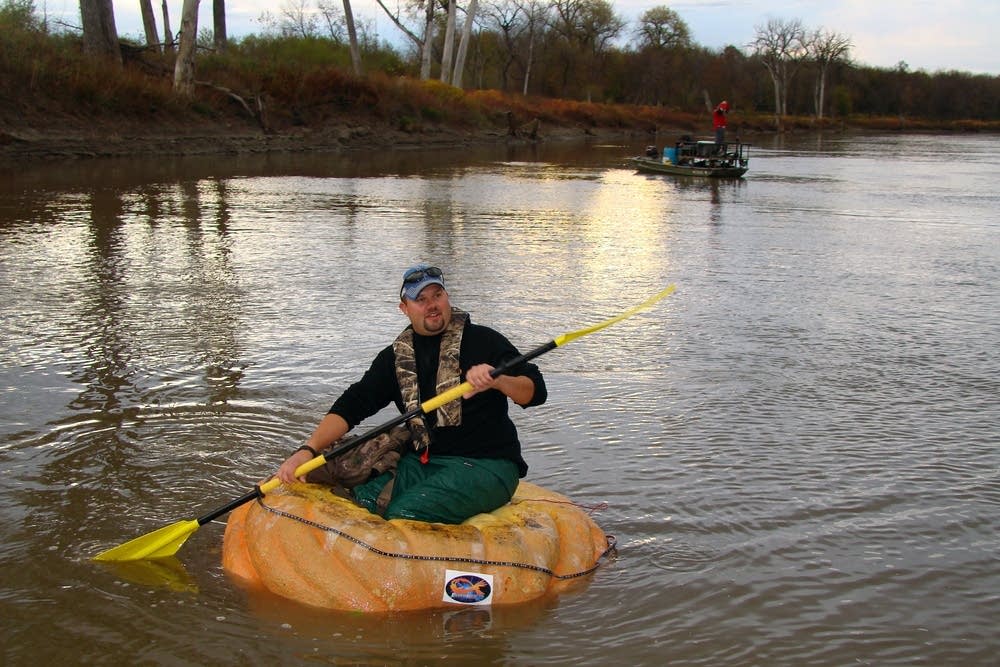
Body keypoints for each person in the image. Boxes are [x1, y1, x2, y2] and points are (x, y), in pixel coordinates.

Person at [273, 263, 547, 524]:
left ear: (446, 297)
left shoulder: (485, 341)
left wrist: (500, 382)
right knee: (362, 502)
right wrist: (307, 451)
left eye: (437, 295)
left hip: (488, 465)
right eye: (421, 299)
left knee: (405, 512)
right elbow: (353, 404)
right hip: (424, 461)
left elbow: (535, 392)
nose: (432, 305)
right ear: (404, 308)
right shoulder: (394, 357)